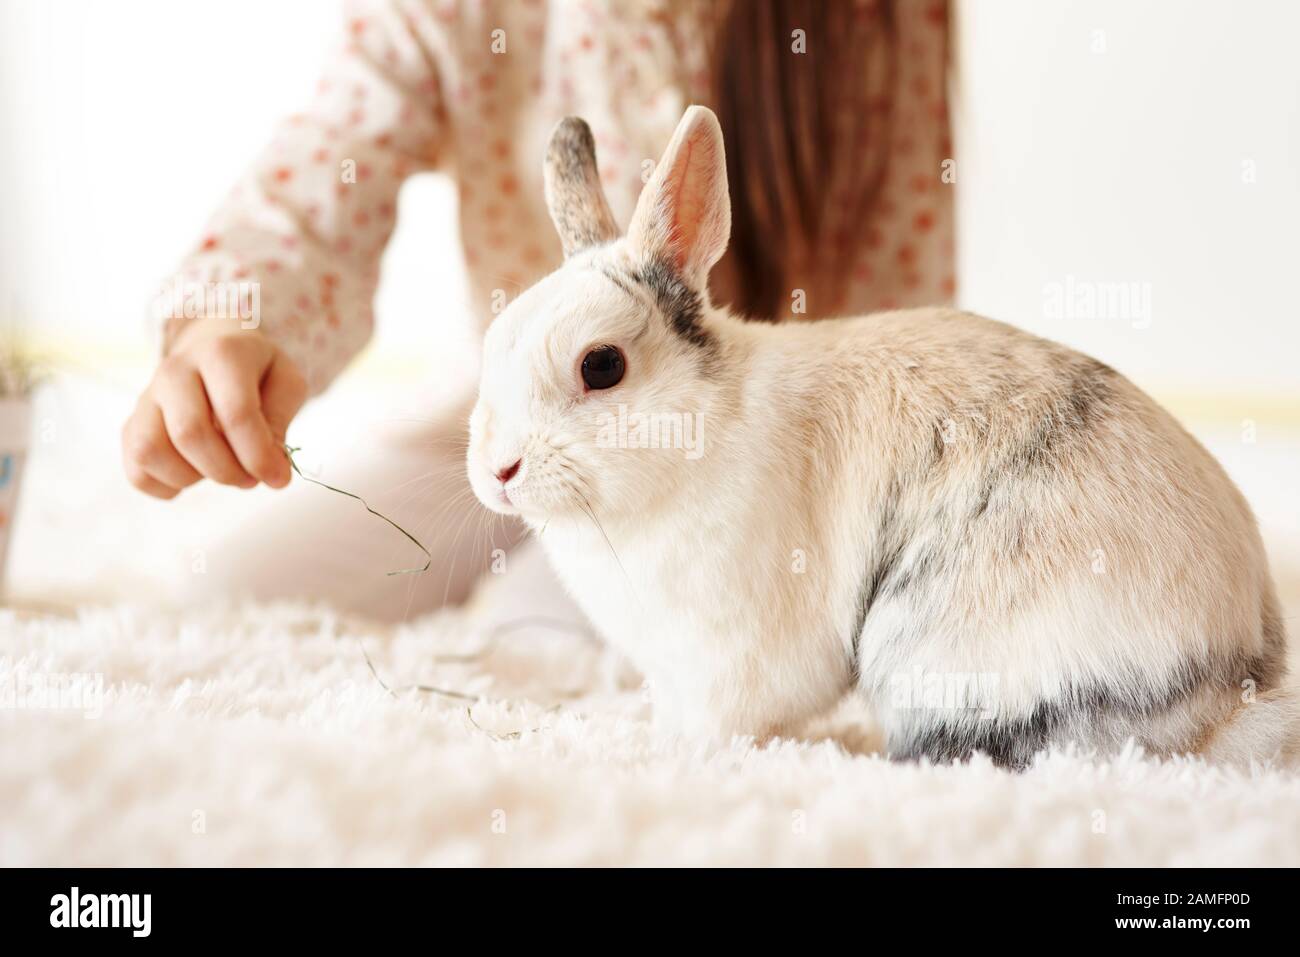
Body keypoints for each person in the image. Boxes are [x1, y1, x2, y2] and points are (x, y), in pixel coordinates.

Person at [121, 0, 955, 620]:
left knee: (540, 631)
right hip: (507, 427)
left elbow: (893, 320)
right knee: (231, 586)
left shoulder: (878, 25)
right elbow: (327, 159)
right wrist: (230, 317)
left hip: (749, 462)